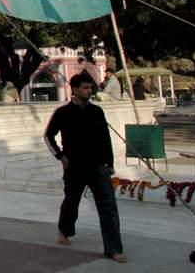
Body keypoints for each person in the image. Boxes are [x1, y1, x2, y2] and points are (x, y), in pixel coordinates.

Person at [44, 72, 126, 264]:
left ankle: (113, 248)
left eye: (91, 88)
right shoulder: (63, 113)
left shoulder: (97, 112)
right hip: (74, 167)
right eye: (86, 88)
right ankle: (65, 229)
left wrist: (110, 163)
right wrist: (60, 156)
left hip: (98, 166)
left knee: (108, 208)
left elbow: (105, 138)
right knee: (71, 203)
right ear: (74, 90)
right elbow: (48, 136)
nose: (90, 91)